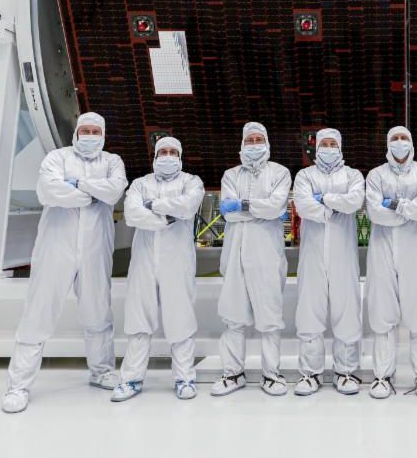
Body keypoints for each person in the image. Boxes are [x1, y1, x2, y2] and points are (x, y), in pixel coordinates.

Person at [1, 112, 128, 414]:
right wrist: (91, 192)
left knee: (98, 310)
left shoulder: (112, 162)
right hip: (56, 247)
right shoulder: (57, 157)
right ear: (76, 133)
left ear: (103, 134)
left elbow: (114, 191)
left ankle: (102, 371)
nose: (89, 135)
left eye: (95, 131)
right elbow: (49, 192)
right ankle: (18, 385)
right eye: (84, 130)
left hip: (95, 248)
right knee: (39, 311)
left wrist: (78, 183)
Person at [111, 137, 205, 402]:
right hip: (143, 260)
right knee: (139, 318)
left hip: (178, 261)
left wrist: (153, 206)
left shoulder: (192, 182)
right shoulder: (141, 184)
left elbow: (187, 208)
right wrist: (168, 217)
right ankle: (130, 379)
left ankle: (185, 378)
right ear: (154, 156)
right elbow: (132, 215)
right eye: (162, 151)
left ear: (180, 155)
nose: (167, 155)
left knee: (181, 318)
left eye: (173, 152)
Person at [211, 122, 292, 397]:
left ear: (267, 143)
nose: (254, 143)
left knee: (269, 318)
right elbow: (228, 214)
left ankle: (272, 375)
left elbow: (275, 208)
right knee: (233, 317)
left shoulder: (279, 173)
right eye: (250, 139)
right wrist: (260, 206)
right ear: (243, 144)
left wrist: (244, 205)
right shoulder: (231, 174)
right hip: (235, 255)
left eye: (259, 139)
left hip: (267, 256)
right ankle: (233, 374)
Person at [364, 126, 417, 400]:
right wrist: (408, 208)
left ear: (411, 142)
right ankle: (383, 376)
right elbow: (375, 213)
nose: (399, 142)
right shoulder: (375, 175)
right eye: (394, 138)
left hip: (415, 251)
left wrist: (393, 205)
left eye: (404, 138)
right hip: (382, 250)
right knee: (382, 313)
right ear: (387, 143)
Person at [292, 128, 367, 396]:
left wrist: (322, 199)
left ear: (340, 146)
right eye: (323, 143)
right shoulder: (304, 176)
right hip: (312, 255)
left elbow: (355, 201)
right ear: (315, 146)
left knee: (346, 309)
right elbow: (303, 206)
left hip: (343, 255)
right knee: (309, 310)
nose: (327, 147)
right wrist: (335, 204)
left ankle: (346, 371)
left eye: (332, 143)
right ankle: (310, 373)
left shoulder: (353, 175)